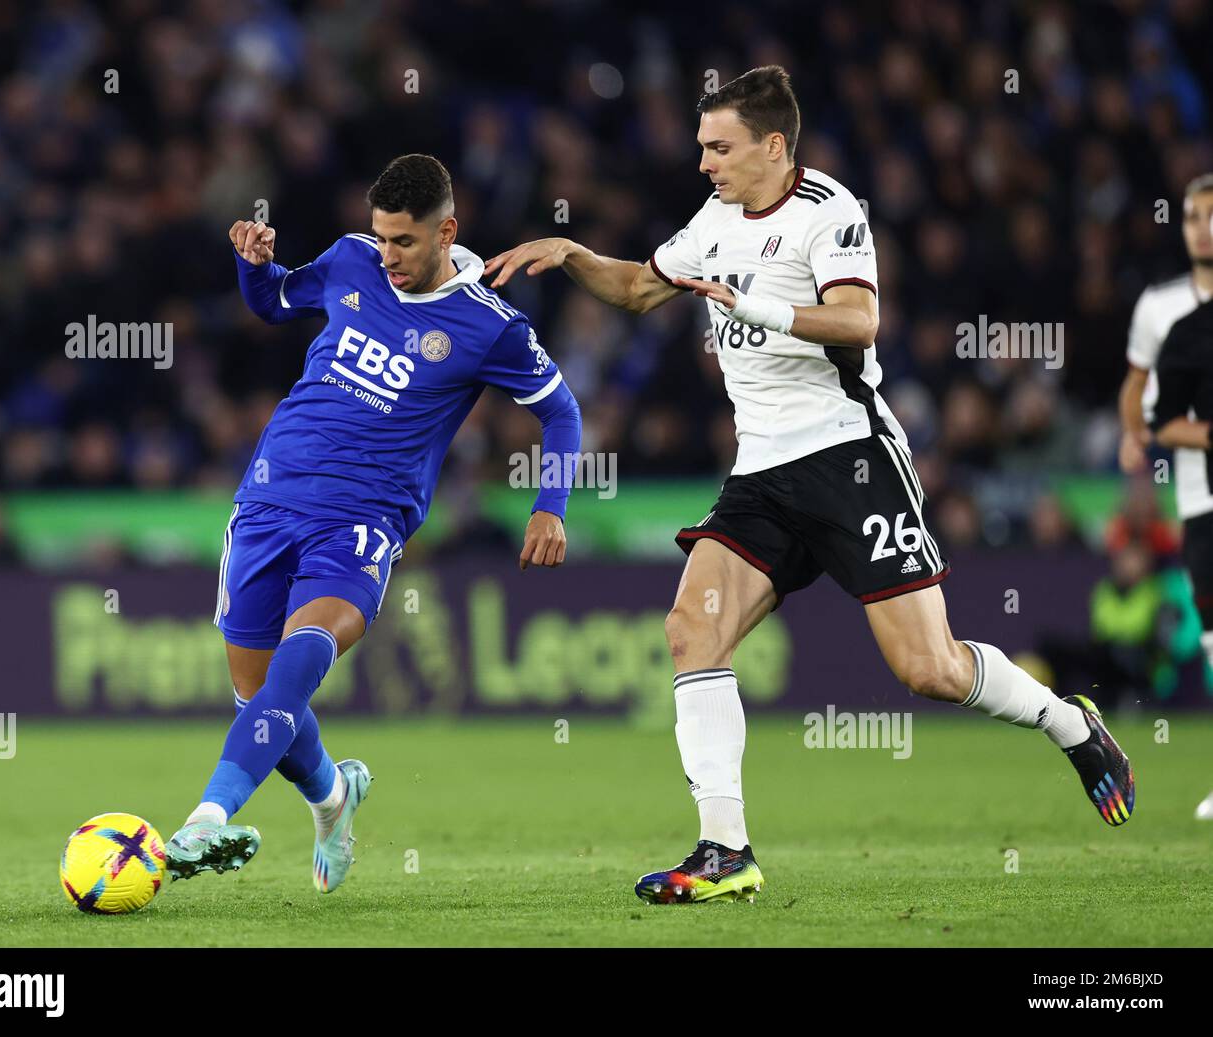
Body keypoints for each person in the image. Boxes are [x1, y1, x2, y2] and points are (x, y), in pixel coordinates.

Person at [487, 66, 1134, 905]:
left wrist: (762, 312)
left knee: (927, 668)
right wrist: (573, 254)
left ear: (773, 146)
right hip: (760, 471)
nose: (704, 164)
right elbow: (642, 287)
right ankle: (724, 848)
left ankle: (1069, 721)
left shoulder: (829, 211)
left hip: (848, 460)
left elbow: (860, 320)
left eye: (719, 148)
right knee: (693, 629)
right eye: (700, 148)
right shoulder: (717, 217)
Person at [167, 154, 580, 892]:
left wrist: (550, 505)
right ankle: (333, 795)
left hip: (361, 521)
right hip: (267, 499)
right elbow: (275, 304)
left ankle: (206, 816)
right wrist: (254, 266)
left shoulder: (490, 325)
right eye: (381, 238)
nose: (387, 256)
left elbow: (562, 410)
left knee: (304, 655)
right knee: (257, 700)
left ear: (447, 231)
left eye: (405, 243)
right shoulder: (350, 261)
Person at [1123, 173, 1213, 820]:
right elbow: (1146, 401)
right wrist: (1136, 434)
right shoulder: (1166, 312)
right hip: (1200, 493)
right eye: (1193, 216)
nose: (1202, 227)